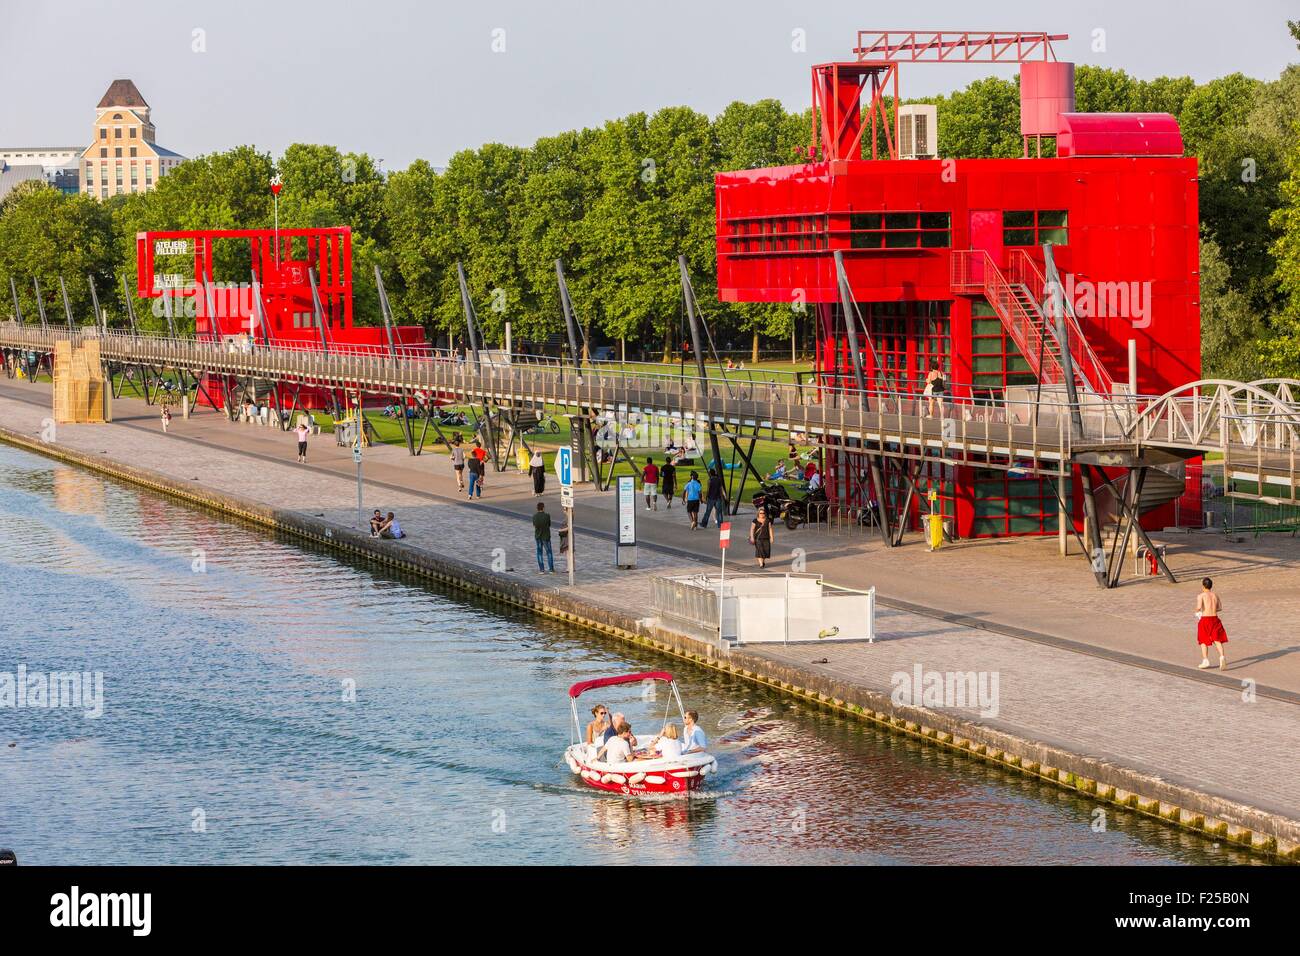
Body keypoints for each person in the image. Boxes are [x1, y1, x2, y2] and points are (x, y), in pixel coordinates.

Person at [1195, 577, 1229, 670]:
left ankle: (1205, 660)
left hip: (1205, 619)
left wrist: (1197, 611)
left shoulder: (1201, 595)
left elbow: (1198, 607)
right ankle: (1222, 657)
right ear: (1211, 586)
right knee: (1217, 640)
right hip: (1215, 619)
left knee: (1203, 640)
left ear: (1203, 586)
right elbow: (1220, 608)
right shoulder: (1215, 595)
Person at [533, 501, 555, 573]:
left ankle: (542, 569)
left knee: (539, 553)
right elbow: (549, 524)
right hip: (546, 536)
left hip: (538, 537)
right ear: (543, 508)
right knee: (549, 552)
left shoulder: (535, 516)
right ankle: (551, 569)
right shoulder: (547, 516)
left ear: (537, 508)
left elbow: (535, 525)